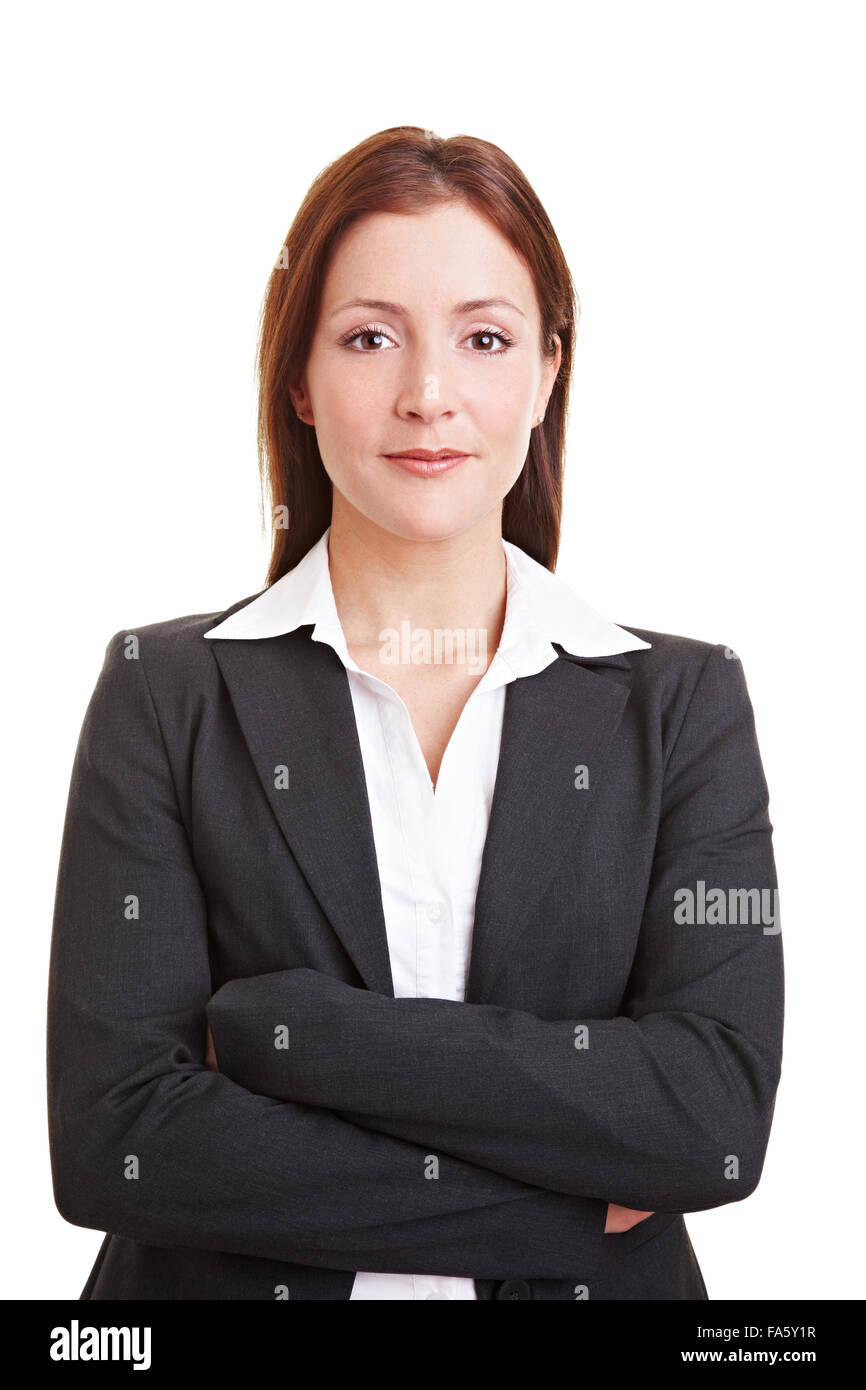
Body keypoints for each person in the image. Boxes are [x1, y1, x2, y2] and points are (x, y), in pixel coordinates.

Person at [47, 126, 784, 1301]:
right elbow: (116, 1140)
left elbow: (711, 1121)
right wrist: (562, 1210)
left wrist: (280, 1030)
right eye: (369, 337)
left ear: (546, 373)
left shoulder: (679, 704)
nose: (426, 395)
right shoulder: (165, 689)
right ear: (298, 376)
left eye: (483, 338)